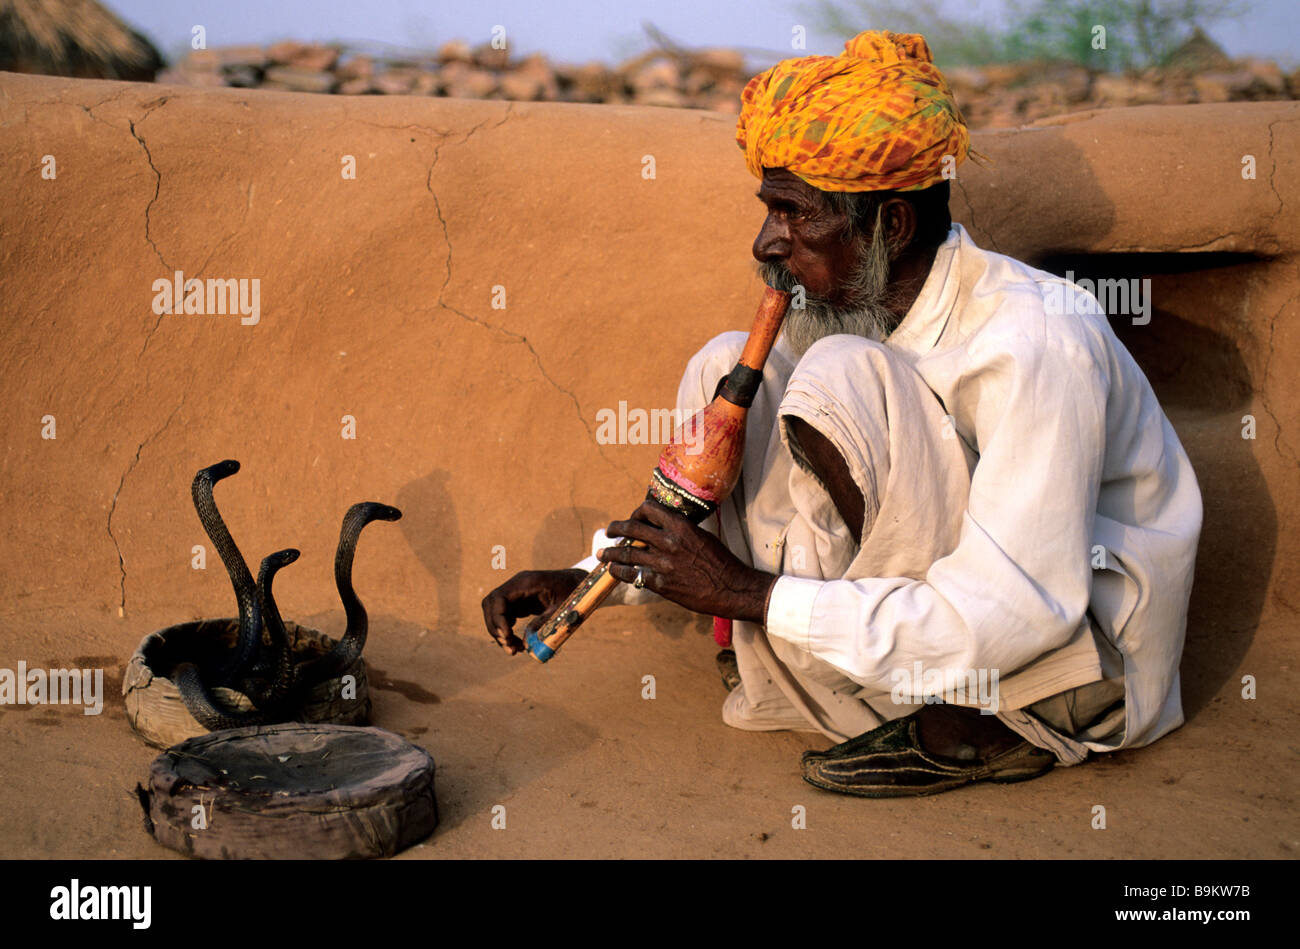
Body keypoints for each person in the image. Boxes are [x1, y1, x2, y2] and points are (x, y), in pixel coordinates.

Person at [482, 29, 1202, 797]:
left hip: (1055, 666)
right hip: (935, 622)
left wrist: (749, 596)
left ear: (889, 225)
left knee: (837, 375)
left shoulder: (1034, 340)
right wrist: (592, 572)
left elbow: (1019, 605)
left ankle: (973, 721)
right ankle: (838, 668)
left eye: (794, 215)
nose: (767, 243)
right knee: (726, 364)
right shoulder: (856, 309)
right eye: (769, 211)